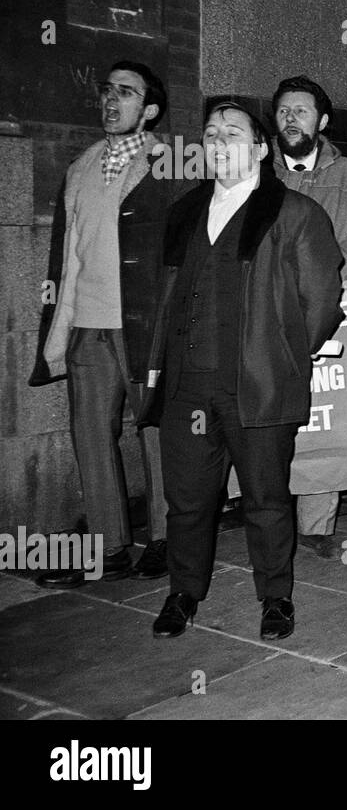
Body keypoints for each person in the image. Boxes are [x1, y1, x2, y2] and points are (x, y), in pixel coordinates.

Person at [145, 102, 342, 640]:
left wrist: (283, 355)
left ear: (259, 147)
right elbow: (165, 297)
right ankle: (183, 592)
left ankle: (275, 597)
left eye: (233, 132)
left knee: (267, 499)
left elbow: (322, 302)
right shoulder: (185, 210)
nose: (218, 140)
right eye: (210, 133)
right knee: (186, 500)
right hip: (188, 386)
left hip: (257, 386)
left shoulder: (296, 214)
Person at [38, 61, 185, 587]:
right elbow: (67, 253)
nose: (110, 100)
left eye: (125, 93)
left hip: (142, 326)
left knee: (155, 429)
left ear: (148, 109)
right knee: (90, 437)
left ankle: (168, 540)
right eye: (107, 91)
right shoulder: (81, 166)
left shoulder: (171, 164)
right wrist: (63, 323)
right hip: (88, 325)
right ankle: (110, 547)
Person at [271, 75, 347, 560]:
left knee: (327, 413)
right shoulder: (257, 175)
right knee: (273, 411)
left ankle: (316, 527)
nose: (291, 118)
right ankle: (271, 516)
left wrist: (321, 274)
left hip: (336, 315)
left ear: (321, 121)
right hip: (271, 316)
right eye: (282, 111)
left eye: (301, 110)